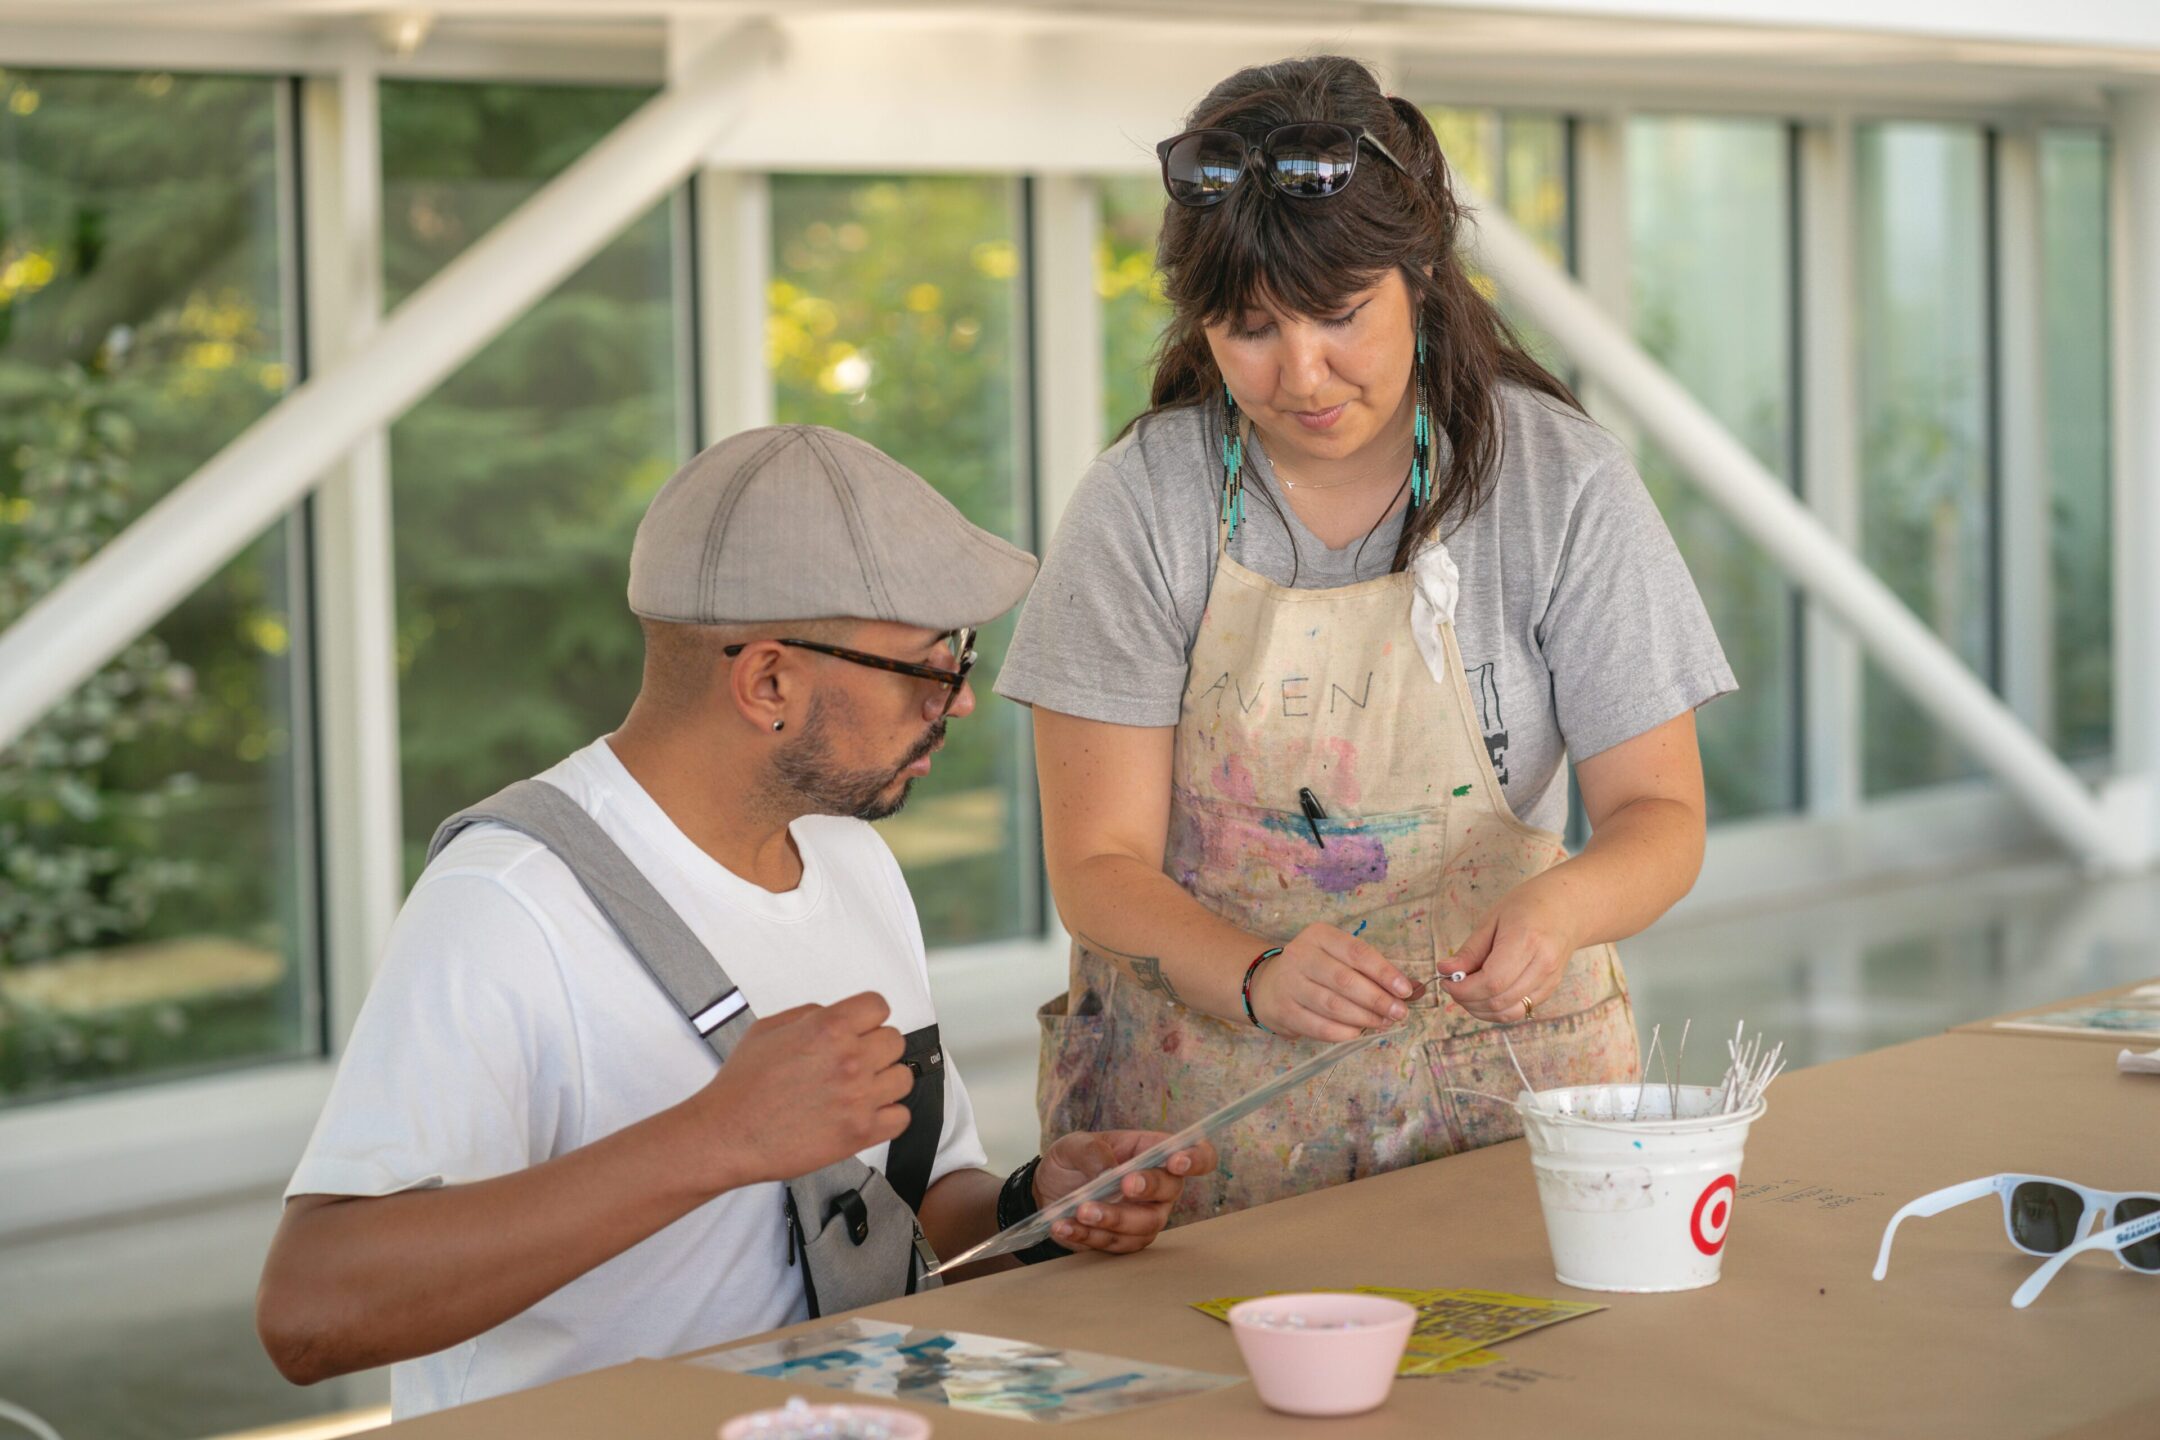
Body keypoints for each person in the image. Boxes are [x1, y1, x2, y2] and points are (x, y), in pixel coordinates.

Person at [256, 425, 1212, 1418]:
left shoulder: (851, 861)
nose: (961, 701)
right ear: (768, 682)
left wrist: (1035, 1210)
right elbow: (312, 1311)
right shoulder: (507, 904)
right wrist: (717, 1139)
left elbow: (913, 1211)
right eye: (930, 663)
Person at [996, 56, 1734, 1222]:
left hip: (1502, 1091)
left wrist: (1558, 912)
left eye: (1342, 317)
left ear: (1423, 275)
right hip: (1201, 1115)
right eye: (1249, 332)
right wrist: (1250, 972)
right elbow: (1098, 869)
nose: (1302, 374)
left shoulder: (1562, 485)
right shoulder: (1144, 503)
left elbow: (1663, 818)